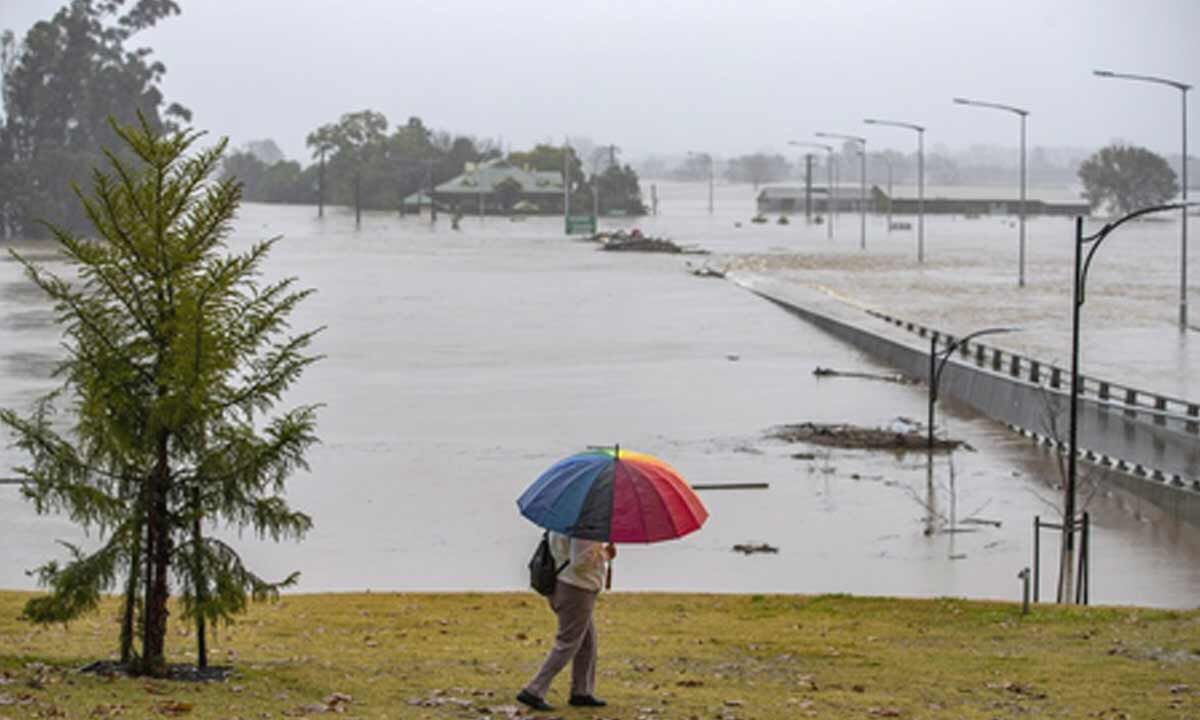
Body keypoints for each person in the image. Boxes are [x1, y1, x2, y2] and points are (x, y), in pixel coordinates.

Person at [516, 532, 616, 711]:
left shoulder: (562, 521)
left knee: (587, 641)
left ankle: (581, 691)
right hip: (576, 589)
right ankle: (534, 690)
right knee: (567, 643)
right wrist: (605, 554)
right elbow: (580, 562)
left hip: (563, 585)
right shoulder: (584, 526)